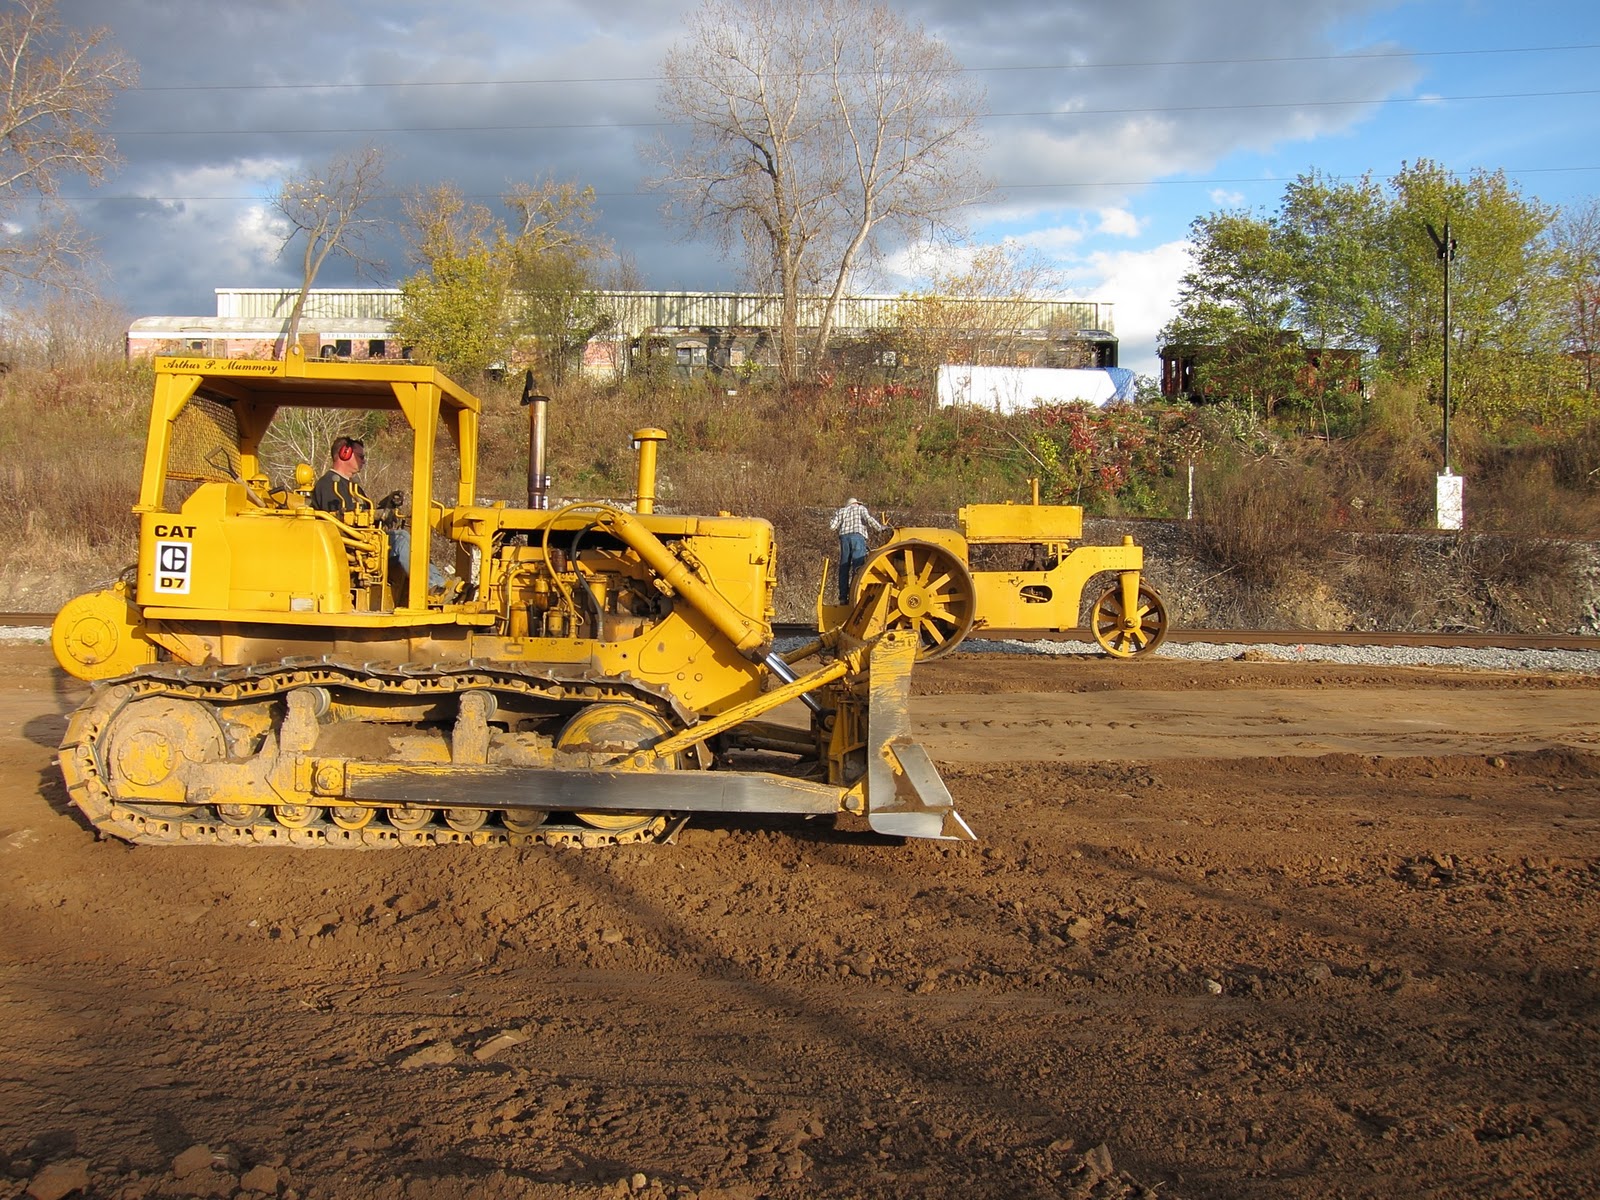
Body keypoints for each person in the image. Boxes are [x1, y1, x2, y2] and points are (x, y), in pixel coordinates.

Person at [311, 436, 444, 590]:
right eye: (360, 456)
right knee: (401, 539)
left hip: (365, 544)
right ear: (344, 453)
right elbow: (338, 524)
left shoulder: (354, 488)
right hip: (350, 548)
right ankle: (433, 586)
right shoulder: (328, 485)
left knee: (413, 541)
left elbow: (366, 515)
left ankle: (438, 583)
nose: (364, 461)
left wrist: (386, 506)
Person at [829, 496, 885, 605]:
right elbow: (869, 519)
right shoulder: (860, 509)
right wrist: (880, 528)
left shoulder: (841, 511)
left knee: (844, 566)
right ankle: (857, 594)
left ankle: (843, 597)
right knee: (858, 566)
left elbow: (832, 526)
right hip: (857, 538)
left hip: (844, 539)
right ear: (856, 503)